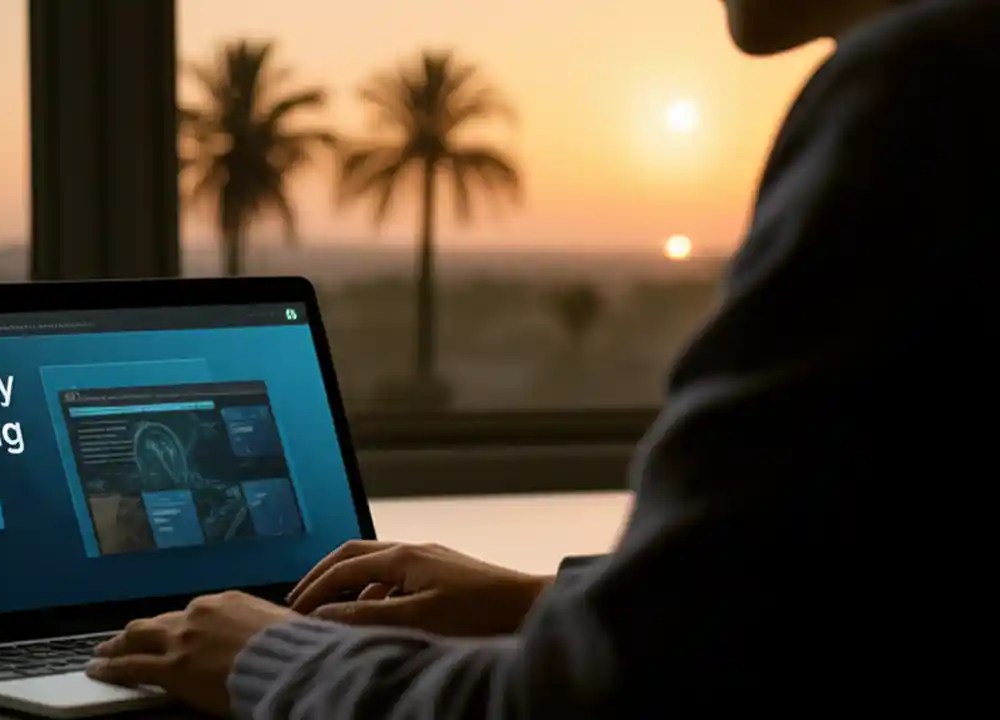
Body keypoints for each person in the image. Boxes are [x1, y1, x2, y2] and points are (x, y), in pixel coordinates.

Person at [86, 0, 999, 714]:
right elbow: (845, 597)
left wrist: (268, 657)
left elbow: (596, 702)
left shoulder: (928, 94)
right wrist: (543, 603)